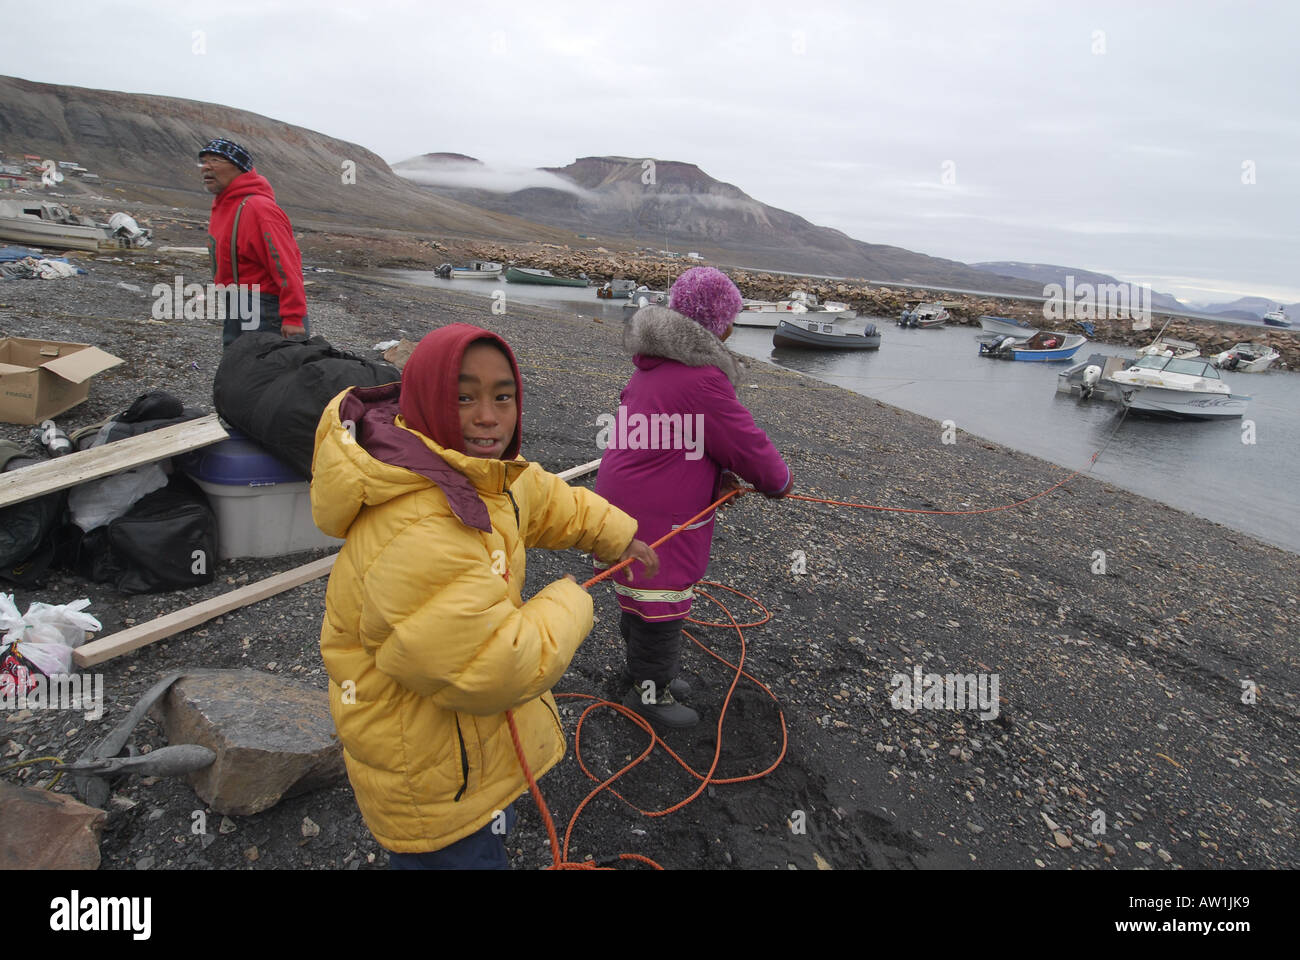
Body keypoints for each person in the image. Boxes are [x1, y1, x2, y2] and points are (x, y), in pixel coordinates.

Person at [310, 322, 658, 869]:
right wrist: (573, 600)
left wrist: (615, 535)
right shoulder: (415, 527)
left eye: (503, 396)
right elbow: (497, 668)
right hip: (432, 784)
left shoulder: (471, 472)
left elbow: (540, 498)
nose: (488, 416)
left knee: (493, 829)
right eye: (464, 397)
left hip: (470, 754)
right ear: (426, 401)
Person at [594, 266, 793, 729]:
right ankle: (650, 693)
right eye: (732, 321)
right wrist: (778, 482)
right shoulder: (703, 379)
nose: (733, 329)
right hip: (659, 512)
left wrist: (717, 474)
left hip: (623, 502)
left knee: (638, 594)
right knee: (660, 605)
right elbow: (746, 445)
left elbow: (684, 436)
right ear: (719, 325)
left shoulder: (653, 366)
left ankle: (641, 677)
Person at [198, 138, 310, 348]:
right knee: (239, 366)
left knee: (271, 372)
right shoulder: (224, 206)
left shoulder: (258, 209)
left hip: (266, 308)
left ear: (239, 168)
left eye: (215, 160)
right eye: (203, 161)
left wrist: (293, 317)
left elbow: (287, 266)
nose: (206, 167)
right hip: (237, 302)